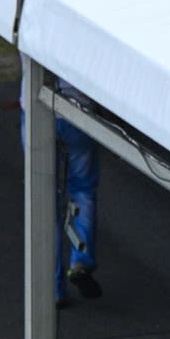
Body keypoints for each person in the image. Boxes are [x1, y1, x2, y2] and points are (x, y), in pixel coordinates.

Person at [51, 78, 102, 303]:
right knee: (82, 190)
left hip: (39, 112)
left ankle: (52, 285)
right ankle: (80, 258)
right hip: (78, 112)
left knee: (45, 199)